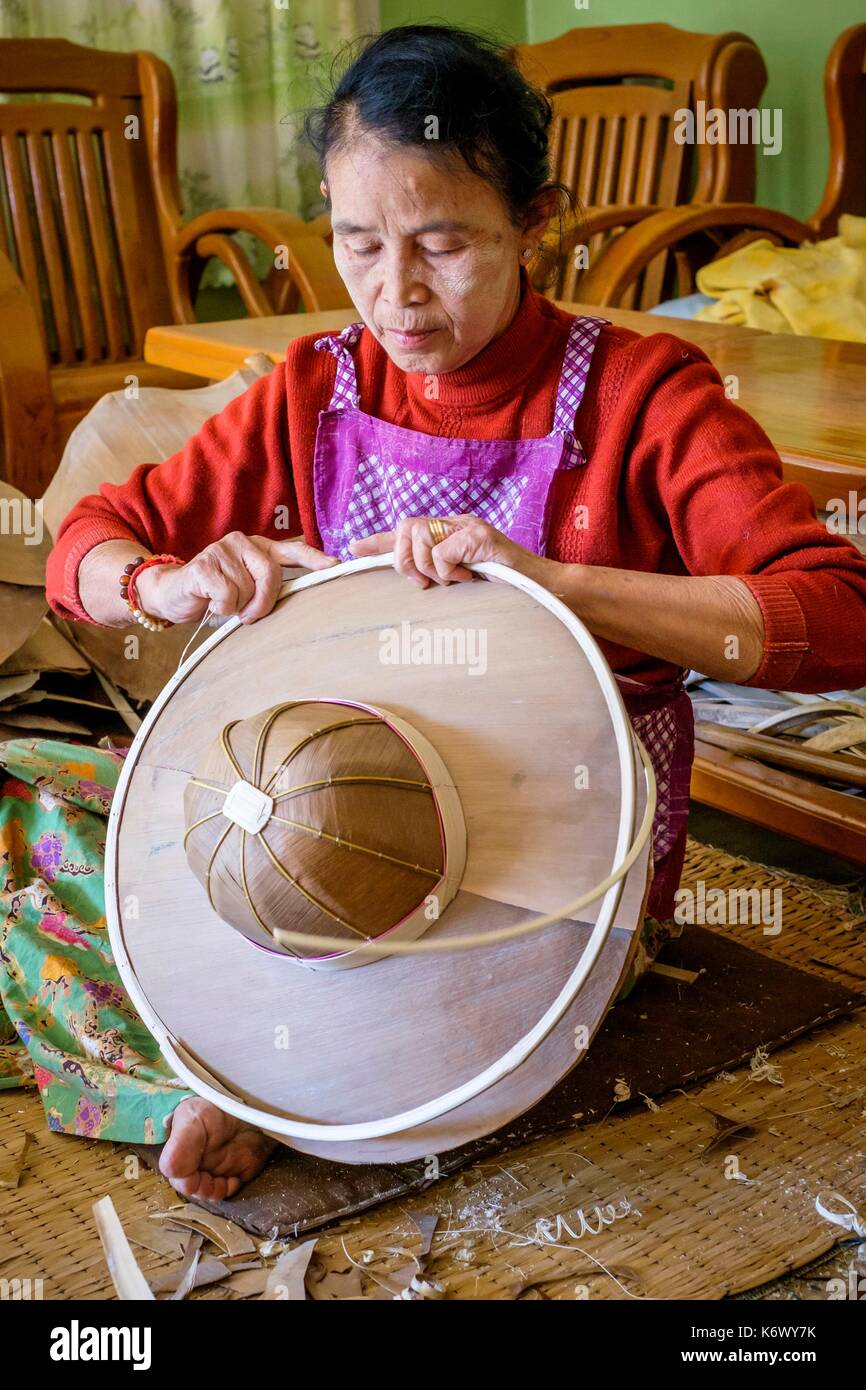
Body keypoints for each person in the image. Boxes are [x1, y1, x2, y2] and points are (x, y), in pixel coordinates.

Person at [4, 24, 866, 1201]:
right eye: (357, 243)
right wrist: (167, 581)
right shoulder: (314, 388)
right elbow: (85, 545)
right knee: (23, 808)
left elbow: (838, 612)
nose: (395, 293)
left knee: (374, 959)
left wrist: (550, 583)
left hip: (548, 872)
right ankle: (266, 1070)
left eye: (444, 242)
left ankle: (259, 1076)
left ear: (535, 219)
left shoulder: (641, 395)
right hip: (316, 822)